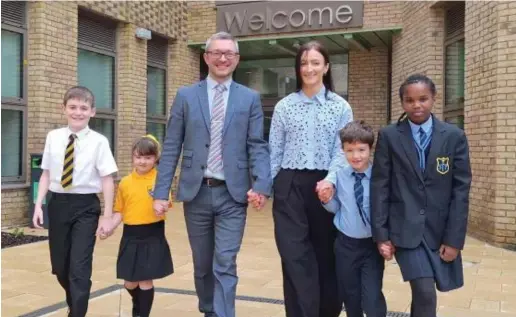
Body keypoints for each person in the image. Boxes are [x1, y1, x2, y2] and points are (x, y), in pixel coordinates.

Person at [152, 31, 271, 317]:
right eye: (216, 52)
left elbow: (257, 145)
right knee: (203, 264)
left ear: (237, 59)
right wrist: (160, 192)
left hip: (233, 194)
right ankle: (209, 310)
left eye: (228, 53)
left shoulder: (250, 98)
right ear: (206, 57)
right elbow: (171, 146)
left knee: (225, 262)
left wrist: (262, 185)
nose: (222, 58)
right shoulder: (185, 96)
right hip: (197, 192)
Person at [371, 74, 472, 317]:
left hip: (439, 232)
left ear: (434, 99)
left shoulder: (453, 136)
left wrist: (454, 239)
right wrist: (381, 235)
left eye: (423, 99)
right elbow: (380, 186)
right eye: (410, 100)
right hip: (405, 230)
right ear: (402, 103)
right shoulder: (390, 136)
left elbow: (461, 190)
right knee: (426, 291)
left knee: (422, 295)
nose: (417, 105)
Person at [269, 40, 353, 317]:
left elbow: (343, 151)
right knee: (294, 256)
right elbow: (275, 151)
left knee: (324, 255)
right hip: (290, 185)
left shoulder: (340, 107)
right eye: (304, 63)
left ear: (326, 67)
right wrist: (271, 187)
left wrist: (330, 181)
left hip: (326, 187)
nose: (309, 68)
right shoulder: (284, 106)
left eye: (315, 62)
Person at [32, 86, 118, 317]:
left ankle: (77, 312)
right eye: (73, 107)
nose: (77, 112)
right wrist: (38, 205)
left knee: (79, 269)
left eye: (83, 108)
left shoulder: (99, 142)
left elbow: (107, 179)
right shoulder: (54, 137)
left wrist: (107, 216)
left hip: (86, 207)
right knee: (61, 268)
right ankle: (75, 303)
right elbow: (46, 174)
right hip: (58, 204)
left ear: (92, 112)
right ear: (64, 109)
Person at [318, 120, 387, 317]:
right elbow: (336, 208)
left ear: (370, 149)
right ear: (343, 150)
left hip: (371, 246)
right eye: (350, 150)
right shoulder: (339, 176)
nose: (356, 156)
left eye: (361, 150)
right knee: (351, 296)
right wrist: (326, 200)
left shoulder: (379, 177)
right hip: (346, 246)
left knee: (372, 298)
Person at [100, 135, 173, 317]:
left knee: (145, 281)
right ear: (132, 158)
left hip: (152, 233)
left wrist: (161, 206)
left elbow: (166, 202)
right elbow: (120, 211)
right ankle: (137, 302)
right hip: (130, 236)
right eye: (139, 157)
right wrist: (110, 227)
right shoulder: (125, 183)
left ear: (155, 158)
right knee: (130, 283)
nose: (142, 161)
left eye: (148, 157)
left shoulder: (160, 179)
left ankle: (142, 314)